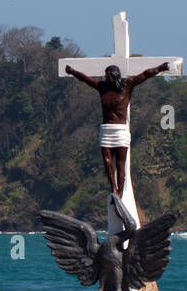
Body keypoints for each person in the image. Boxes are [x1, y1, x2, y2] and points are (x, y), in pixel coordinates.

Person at [64, 60, 171, 198]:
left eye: (106, 74)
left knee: (121, 164)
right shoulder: (103, 87)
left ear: (113, 74)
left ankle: (120, 192)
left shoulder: (128, 84)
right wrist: (72, 72)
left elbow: (145, 74)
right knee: (107, 162)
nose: (104, 77)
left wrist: (160, 68)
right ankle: (114, 188)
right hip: (106, 129)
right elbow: (85, 79)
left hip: (121, 130)